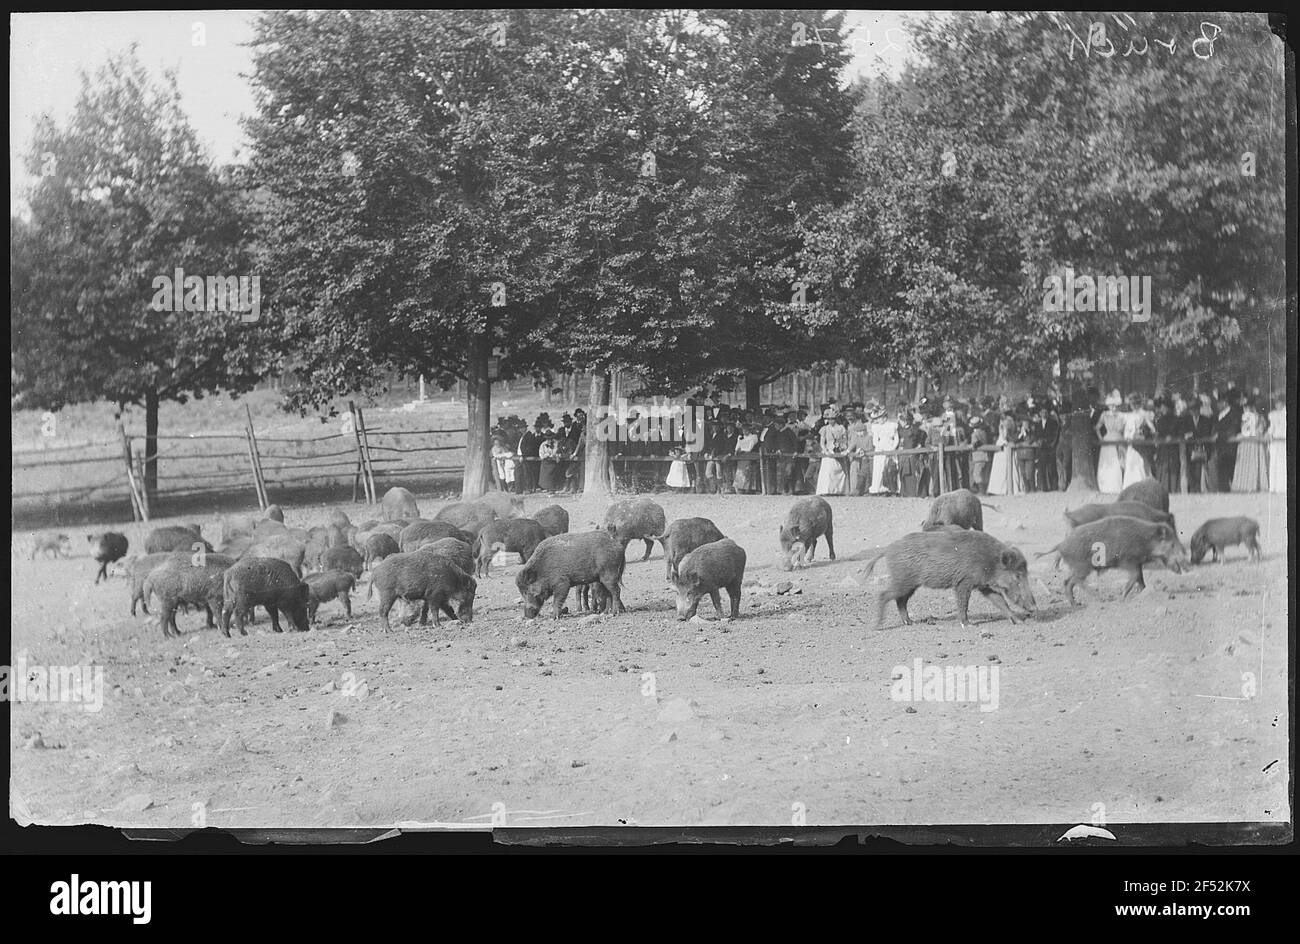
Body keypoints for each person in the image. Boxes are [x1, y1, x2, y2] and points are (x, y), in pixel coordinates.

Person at [1232, 397, 1269, 492]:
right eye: (1244, 407)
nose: (1245, 409)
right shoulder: (1245, 418)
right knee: (1245, 463)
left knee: (1253, 463)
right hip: (1246, 443)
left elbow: (1260, 431)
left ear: (1252, 407)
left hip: (1254, 443)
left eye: (1246, 407)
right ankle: (1244, 484)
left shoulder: (1259, 417)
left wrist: (1247, 434)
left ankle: (1253, 484)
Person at [1095, 390, 1126, 493]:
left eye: (1115, 405)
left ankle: (1118, 485)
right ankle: (1107, 486)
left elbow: (1126, 427)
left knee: (1120, 462)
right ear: (1108, 406)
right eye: (1111, 405)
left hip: (1119, 439)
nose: (1113, 407)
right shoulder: (1105, 415)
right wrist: (1101, 439)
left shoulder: (1121, 415)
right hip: (1108, 440)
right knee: (1109, 462)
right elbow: (1097, 427)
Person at [1121, 393, 1154, 488]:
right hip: (1131, 442)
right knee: (1131, 462)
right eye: (1131, 404)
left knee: (1140, 463)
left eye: (1135, 403)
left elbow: (1152, 428)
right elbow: (1126, 430)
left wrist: (1142, 431)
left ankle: (1142, 485)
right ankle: (1129, 486)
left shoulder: (1144, 414)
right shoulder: (1129, 416)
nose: (1133, 406)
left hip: (1141, 442)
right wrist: (1129, 436)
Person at [1213, 392, 1243, 492]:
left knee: (1231, 471)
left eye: (1219, 402)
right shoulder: (1218, 415)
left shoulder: (1234, 414)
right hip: (1220, 448)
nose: (1217, 405)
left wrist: (1219, 435)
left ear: (1225, 402)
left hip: (1230, 448)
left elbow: (1232, 431)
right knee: (1221, 472)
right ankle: (1223, 493)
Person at [816, 412, 848, 495]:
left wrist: (841, 446)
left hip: (838, 450)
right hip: (828, 451)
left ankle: (837, 490)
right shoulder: (825, 428)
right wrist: (825, 450)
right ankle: (826, 490)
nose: (831, 421)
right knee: (827, 471)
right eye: (829, 419)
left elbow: (844, 440)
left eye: (832, 419)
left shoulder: (841, 428)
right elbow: (822, 442)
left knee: (837, 470)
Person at [868, 406, 898, 494]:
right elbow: (875, 441)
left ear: (885, 417)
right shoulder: (876, 427)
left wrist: (892, 448)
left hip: (890, 447)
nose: (879, 420)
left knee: (891, 467)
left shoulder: (892, 426)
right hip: (880, 448)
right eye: (878, 418)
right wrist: (880, 447)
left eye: (881, 418)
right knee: (878, 468)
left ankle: (892, 488)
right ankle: (877, 488)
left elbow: (896, 438)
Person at [1153, 398, 1180, 493]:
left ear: (1169, 408)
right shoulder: (1159, 420)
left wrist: (1172, 437)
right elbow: (1158, 434)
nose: (1162, 409)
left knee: (1173, 469)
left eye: (1164, 407)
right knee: (1163, 469)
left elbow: (1180, 433)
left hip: (1173, 448)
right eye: (1162, 407)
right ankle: (1163, 490)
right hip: (1163, 449)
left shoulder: (1176, 419)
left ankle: (1173, 489)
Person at [732, 424, 760, 493]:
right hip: (741, 456)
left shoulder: (753, 437)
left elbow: (750, 448)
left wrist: (742, 449)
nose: (744, 432)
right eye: (743, 430)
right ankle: (740, 488)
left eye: (746, 430)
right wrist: (736, 450)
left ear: (749, 430)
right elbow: (738, 445)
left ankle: (748, 488)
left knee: (746, 472)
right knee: (740, 471)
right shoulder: (741, 437)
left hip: (749, 455)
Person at [968, 414, 991, 495]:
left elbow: (975, 444)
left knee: (976, 474)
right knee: (984, 474)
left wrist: (971, 446)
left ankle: (982, 491)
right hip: (985, 456)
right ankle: (984, 490)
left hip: (978, 456)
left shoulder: (974, 434)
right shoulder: (984, 432)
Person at [1268, 395, 1286, 493]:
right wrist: (1269, 434)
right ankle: (1273, 487)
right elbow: (1272, 428)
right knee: (1274, 464)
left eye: (1278, 403)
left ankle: (1281, 487)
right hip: (1275, 442)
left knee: (1281, 464)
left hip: (1283, 442)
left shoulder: (1284, 413)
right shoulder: (1274, 414)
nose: (1277, 405)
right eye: (1276, 403)